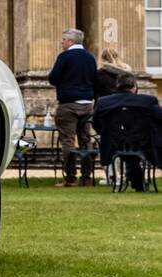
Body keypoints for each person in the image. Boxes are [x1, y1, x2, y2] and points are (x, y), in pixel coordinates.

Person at [93, 72, 162, 192]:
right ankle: (138, 183)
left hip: (114, 143)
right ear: (134, 86)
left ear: (117, 85)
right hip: (144, 142)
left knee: (128, 146)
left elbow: (96, 124)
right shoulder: (147, 101)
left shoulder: (103, 102)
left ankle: (138, 184)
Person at [47, 28, 98, 186]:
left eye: (63, 40)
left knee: (68, 141)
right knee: (86, 140)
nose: (62, 42)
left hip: (68, 104)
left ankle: (70, 177)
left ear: (71, 41)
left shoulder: (65, 57)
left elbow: (53, 78)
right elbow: (94, 79)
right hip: (87, 103)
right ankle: (87, 177)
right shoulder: (90, 57)